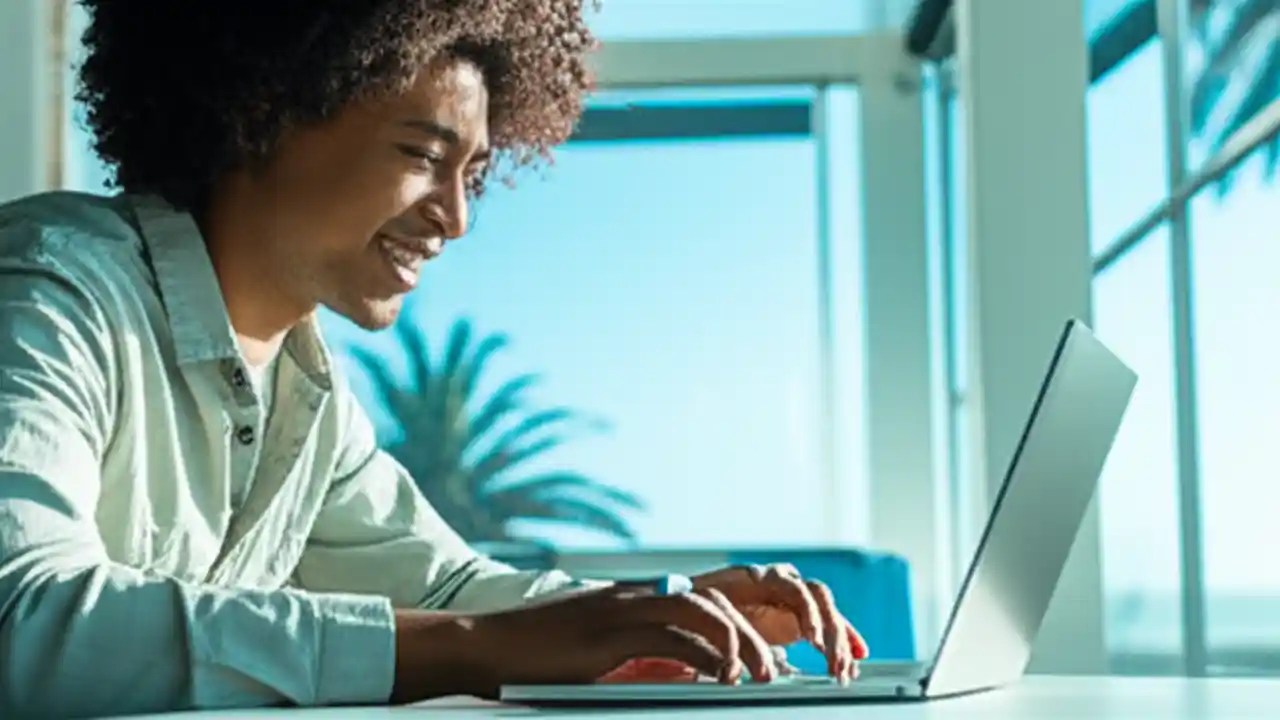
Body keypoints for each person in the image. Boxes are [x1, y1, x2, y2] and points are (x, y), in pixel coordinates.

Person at [0, 1, 869, 715]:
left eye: (474, 174)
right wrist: (476, 651)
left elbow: (447, 591)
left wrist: (658, 608)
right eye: (423, 156)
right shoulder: (52, 290)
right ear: (264, 108)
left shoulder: (310, 400)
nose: (455, 218)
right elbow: (21, 620)